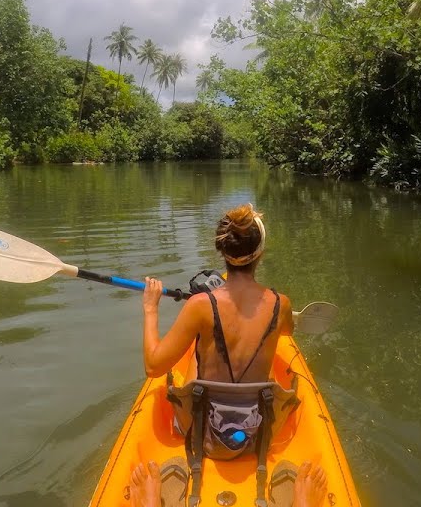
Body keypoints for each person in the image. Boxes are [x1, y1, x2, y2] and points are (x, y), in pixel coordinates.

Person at [127, 204, 328, 507]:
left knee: (198, 349)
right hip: (257, 433)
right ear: (259, 253)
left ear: (222, 251)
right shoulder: (280, 304)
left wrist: (150, 308)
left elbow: (154, 367)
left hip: (202, 433)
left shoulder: (199, 305)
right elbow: (287, 333)